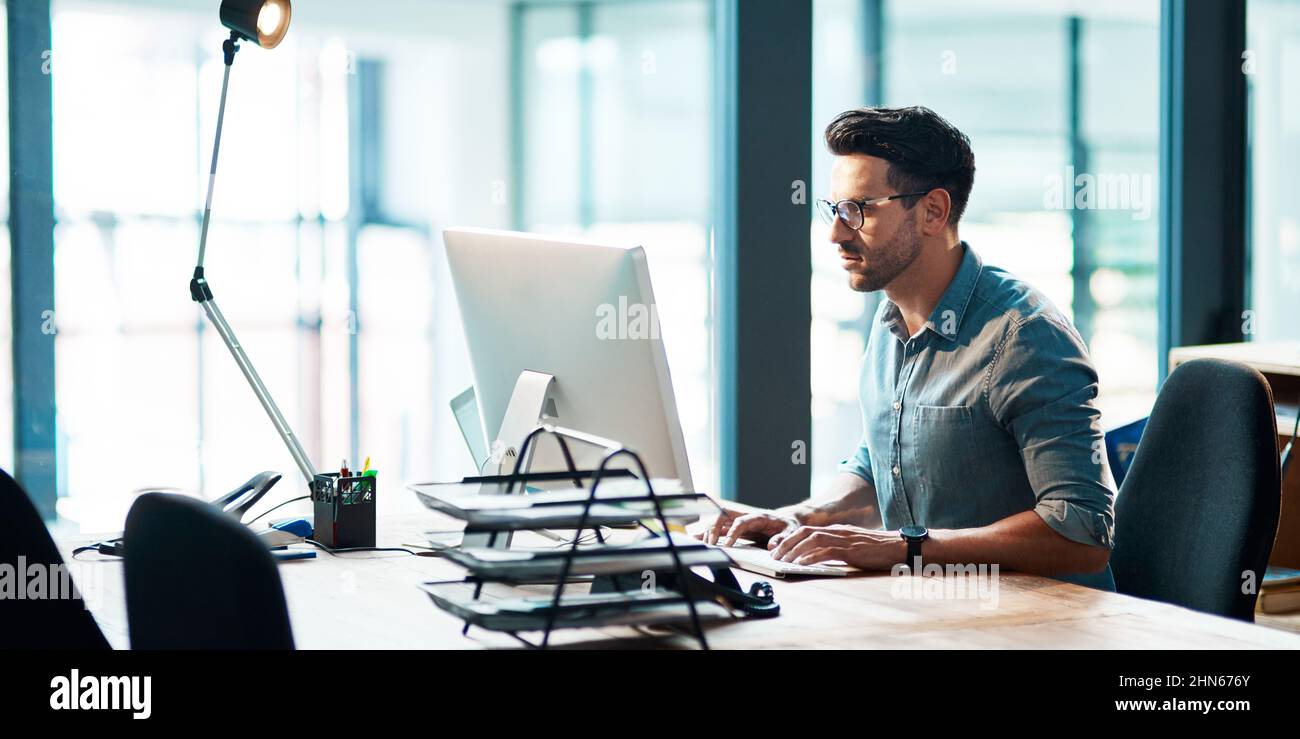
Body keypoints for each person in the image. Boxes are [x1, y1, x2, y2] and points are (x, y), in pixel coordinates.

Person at [704, 106, 1116, 588]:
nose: (836, 232)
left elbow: (1083, 531)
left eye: (858, 210)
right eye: (835, 209)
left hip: (1036, 619)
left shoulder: (1025, 336)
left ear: (932, 211)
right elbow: (881, 463)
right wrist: (801, 518)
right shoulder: (888, 323)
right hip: (930, 607)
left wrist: (908, 547)